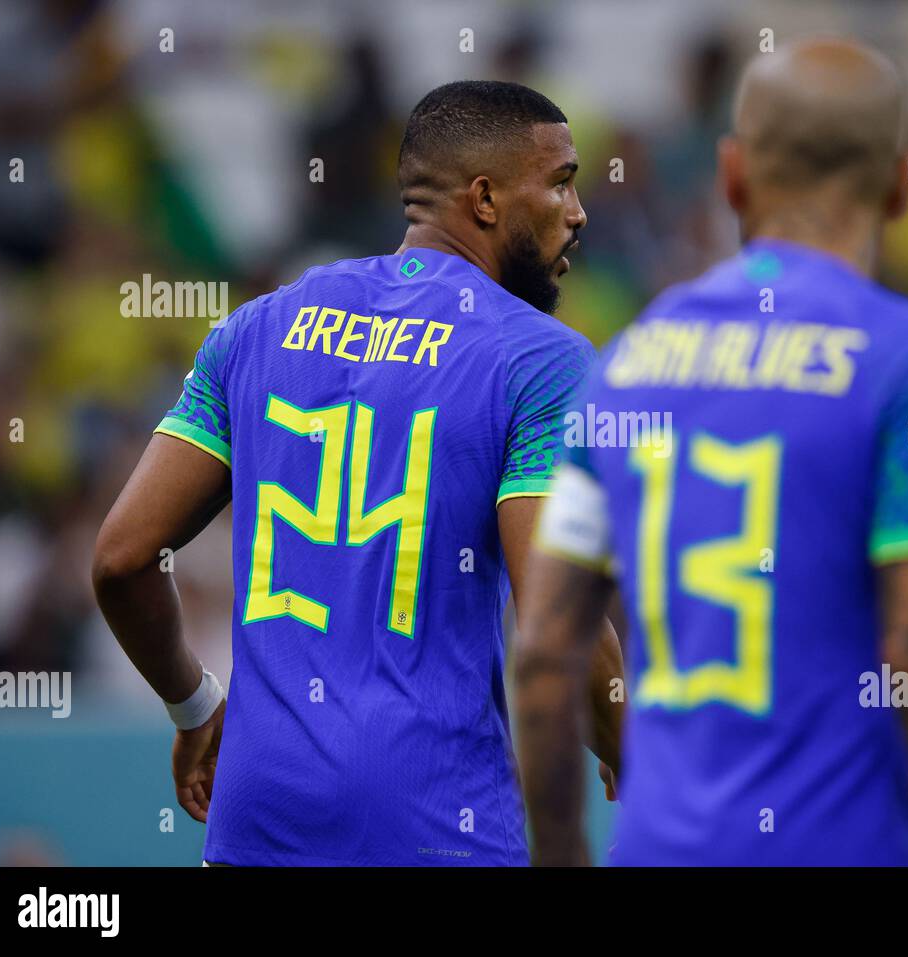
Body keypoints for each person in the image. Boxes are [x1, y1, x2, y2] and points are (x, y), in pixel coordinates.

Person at [513, 37, 908, 866]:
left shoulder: (627, 360)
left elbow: (544, 647)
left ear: (733, 172)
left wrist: (563, 850)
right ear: (900, 182)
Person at [91, 80, 623, 866]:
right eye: (562, 181)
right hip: (439, 827)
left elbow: (122, 557)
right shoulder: (539, 359)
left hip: (257, 824)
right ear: (484, 199)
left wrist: (195, 704)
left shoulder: (258, 327)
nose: (577, 212)